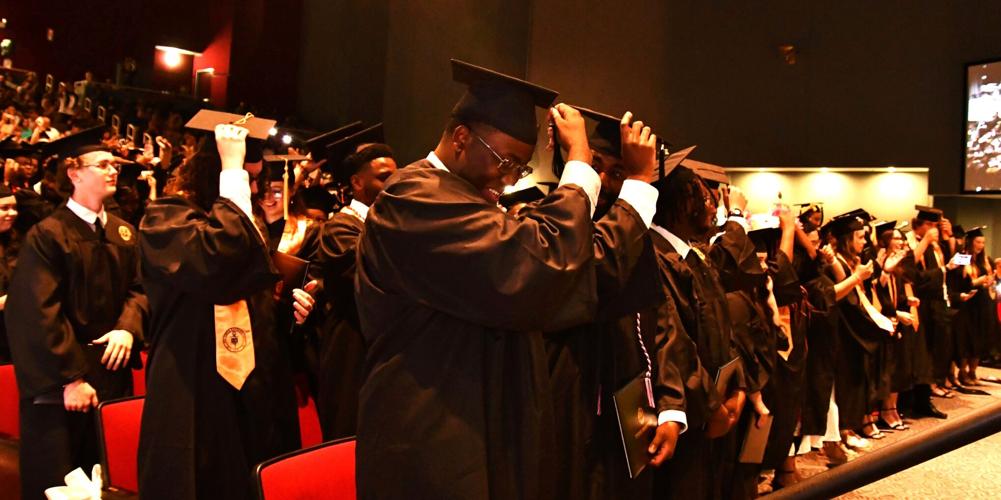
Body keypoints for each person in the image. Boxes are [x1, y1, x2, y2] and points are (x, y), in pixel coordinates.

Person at [354, 59, 604, 499]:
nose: (508, 181)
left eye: (519, 169)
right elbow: (540, 263)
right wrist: (580, 166)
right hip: (429, 439)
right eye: (505, 162)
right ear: (461, 138)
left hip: (472, 424)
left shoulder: (460, 198)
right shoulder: (413, 197)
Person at [137, 122, 315, 500]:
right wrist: (231, 171)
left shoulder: (244, 226)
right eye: (247, 180)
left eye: (254, 180)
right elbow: (215, 262)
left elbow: (249, 299)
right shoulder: (165, 219)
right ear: (211, 176)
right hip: (195, 385)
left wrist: (286, 312)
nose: (253, 190)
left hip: (250, 390)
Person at [541, 106, 676, 499]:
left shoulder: (634, 240)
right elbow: (594, 270)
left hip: (627, 416)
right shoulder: (539, 226)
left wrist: (668, 408)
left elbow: (659, 325)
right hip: (565, 418)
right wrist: (637, 181)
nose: (601, 180)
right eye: (593, 164)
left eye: (617, 173)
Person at [6, 129, 148, 499]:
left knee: (103, 482)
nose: (112, 171)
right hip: (60, 386)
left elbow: (140, 291)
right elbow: (38, 312)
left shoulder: (123, 232)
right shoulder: (48, 235)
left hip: (111, 375)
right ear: (74, 173)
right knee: (59, 483)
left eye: (114, 164)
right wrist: (71, 378)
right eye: (102, 165)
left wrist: (128, 329)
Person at [649, 154, 746, 500]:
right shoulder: (655, 256)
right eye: (704, 198)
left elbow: (722, 325)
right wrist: (711, 406)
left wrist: (737, 387)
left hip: (715, 411)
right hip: (690, 416)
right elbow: (675, 344)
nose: (712, 208)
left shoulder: (691, 255)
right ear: (681, 202)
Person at [0, 185, 19, 362]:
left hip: (15, 333)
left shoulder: (17, 242)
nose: (12, 213)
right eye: (4, 208)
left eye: (14, 207)